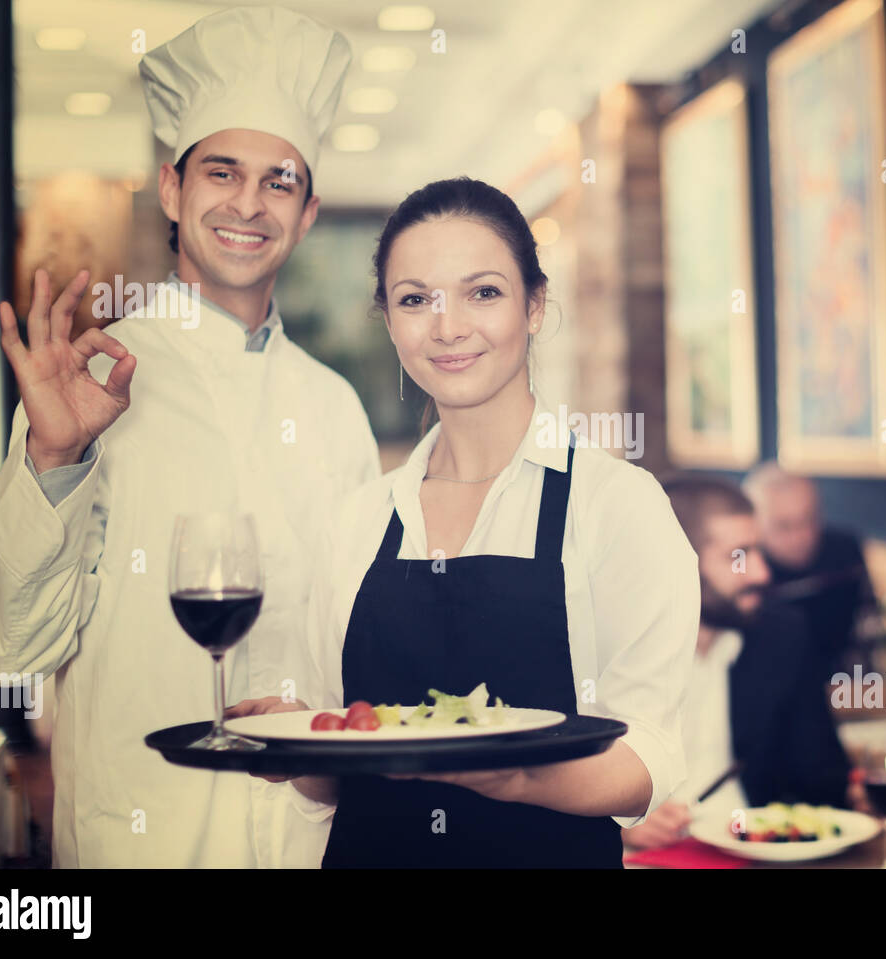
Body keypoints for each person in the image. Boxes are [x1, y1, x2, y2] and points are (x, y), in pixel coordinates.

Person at [0, 6, 379, 867]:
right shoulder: (95, 382)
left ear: (306, 212)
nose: (249, 204)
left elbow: (361, 644)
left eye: (280, 181)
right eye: (222, 171)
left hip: (308, 841)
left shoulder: (335, 408)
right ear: (173, 190)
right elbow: (1, 648)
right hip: (142, 836)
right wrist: (53, 456)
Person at [262, 176, 700, 868]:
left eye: (483, 292)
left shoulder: (617, 505)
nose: (448, 326)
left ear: (534, 305)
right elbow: (335, 773)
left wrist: (519, 779)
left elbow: (649, 754)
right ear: (389, 320)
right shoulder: (356, 521)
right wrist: (292, 747)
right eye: (415, 300)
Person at [622, 475, 851, 849]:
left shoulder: (781, 634)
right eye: (739, 557)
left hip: (753, 851)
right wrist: (617, 824)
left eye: (758, 552)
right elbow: (544, 785)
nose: (761, 572)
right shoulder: (604, 648)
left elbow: (823, 778)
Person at [742, 463, 874, 673]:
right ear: (754, 525)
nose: (801, 537)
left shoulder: (845, 551)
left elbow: (868, 626)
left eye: (809, 519)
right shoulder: (743, 573)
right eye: (784, 526)